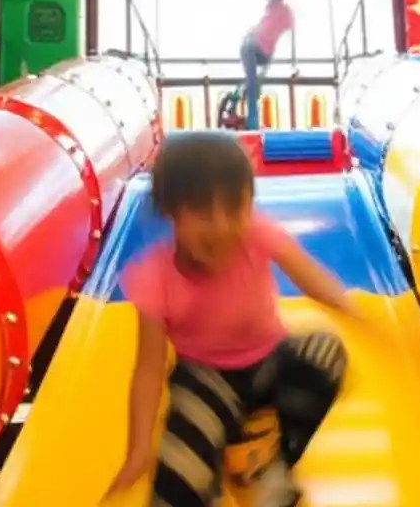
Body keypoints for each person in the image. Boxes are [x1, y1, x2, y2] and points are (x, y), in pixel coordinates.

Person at [106, 132, 356, 507]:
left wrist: (351, 306)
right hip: (207, 380)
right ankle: (220, 466)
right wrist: (139, 449)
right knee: (176, 483)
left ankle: (270, 455)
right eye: (203, 213)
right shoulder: (154, 277)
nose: (222, 227)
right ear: (172, 212)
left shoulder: (257, 234)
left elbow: (309, 276)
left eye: (235, 209)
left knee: (325, 353)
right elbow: (148, 368)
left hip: (269, 362)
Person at [240, 0, 294, 130]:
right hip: (260, 49)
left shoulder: (276, 10)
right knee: (254, 83)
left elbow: (267, 30)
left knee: (253, 83)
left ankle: (252, 119)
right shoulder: (282, 11)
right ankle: (252, 120)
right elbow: (279, 33)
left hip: (256, 47)